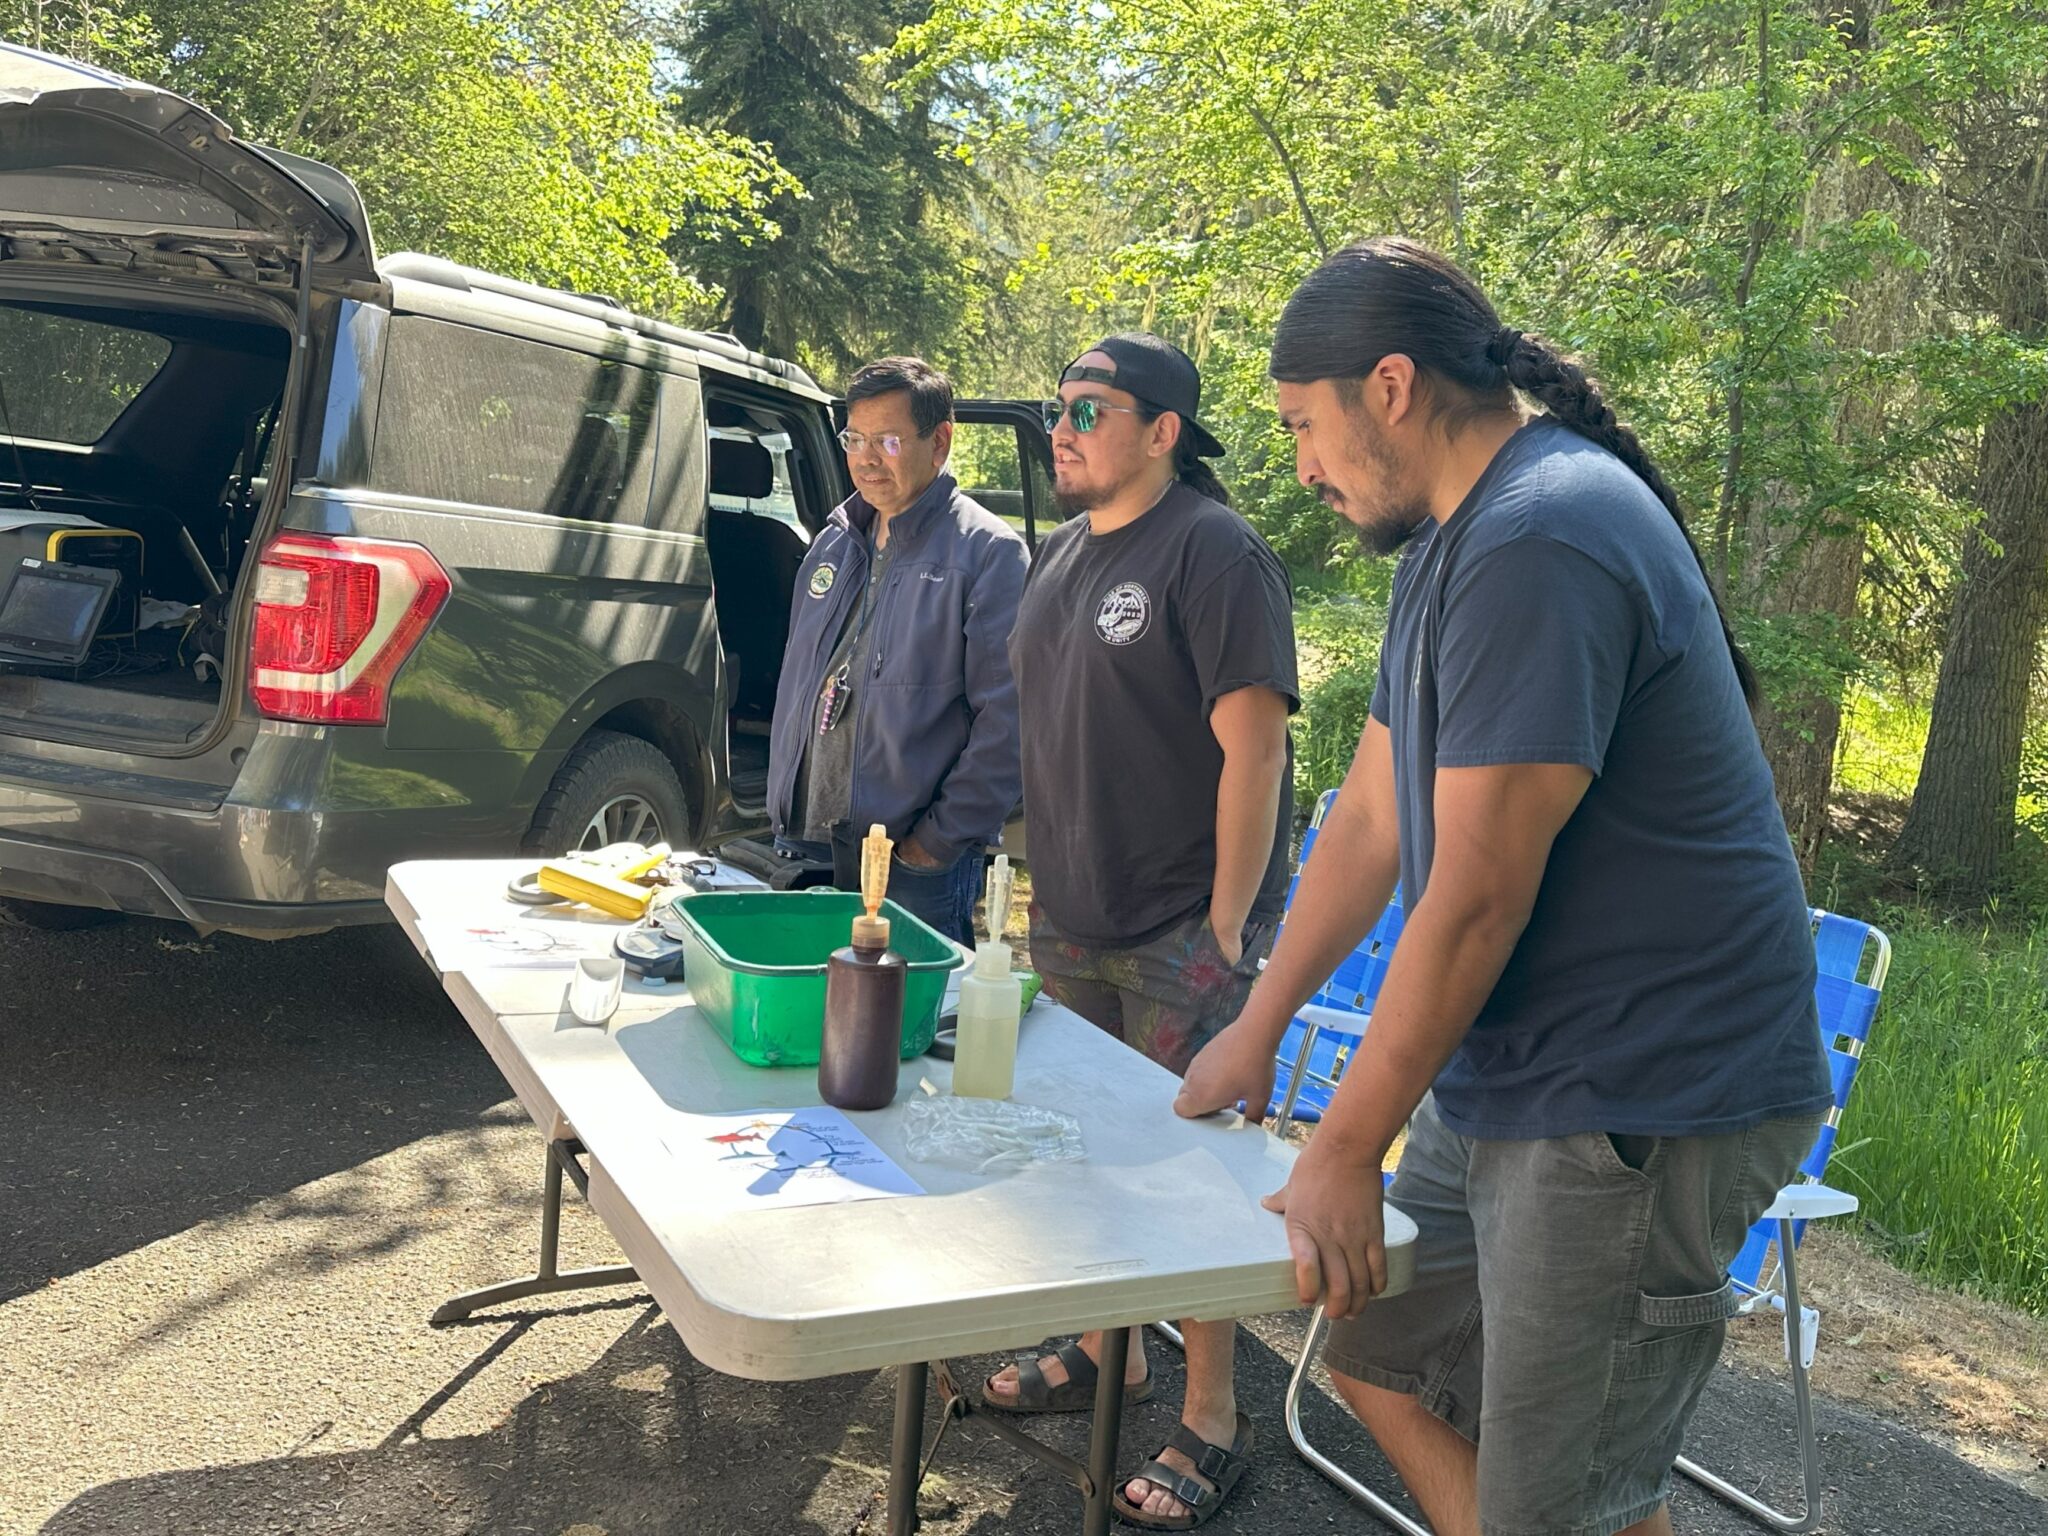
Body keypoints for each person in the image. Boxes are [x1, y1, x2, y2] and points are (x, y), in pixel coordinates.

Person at [1176, 238, 1831, 1536]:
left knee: (1565, 1498)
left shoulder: (1545, 534)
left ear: (1393, 386)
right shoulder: (1445, 550)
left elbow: (1474, 895)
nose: (1300, 466)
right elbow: (1369, 820)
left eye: (1305, 425)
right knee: (1381, 1359)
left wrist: (1348, 1144)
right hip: (1524, 1070)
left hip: (1645, 1096)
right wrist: (1259, 1023)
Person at [988, 333, 1297, 1529]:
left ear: (1162, 429)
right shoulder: (1058, 553)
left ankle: (1211, 1414)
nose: (1060, 427)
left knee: (1189, 1176)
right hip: (1068, 909)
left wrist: (1223, 925)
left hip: (1177, 924)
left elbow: (1254, 748)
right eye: (1057, 406)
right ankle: (1101, 1350)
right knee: (1079, 1149)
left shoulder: (1213, 552)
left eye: (1088, 408)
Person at [766, 357, 1028, 945]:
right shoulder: (834, 540)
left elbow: (1012, 722)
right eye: (854, 438)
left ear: (940, 441)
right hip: (805, 844)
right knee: (807, 1020)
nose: (866, 457)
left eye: (886, 440)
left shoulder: (988, 553)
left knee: (898, 1031)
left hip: (910, 869)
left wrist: (933, 844)